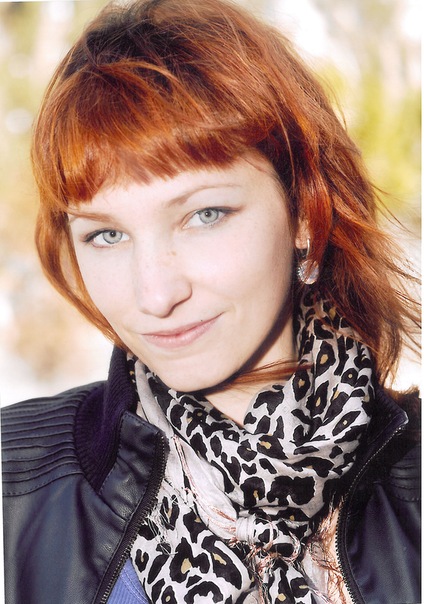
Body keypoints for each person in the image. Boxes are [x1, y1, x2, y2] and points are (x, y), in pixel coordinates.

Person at [2, 0, 420, 603]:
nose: (155, 294)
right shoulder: (14, 484)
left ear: (305, 213)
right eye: (107, 235)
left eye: (205, 215)